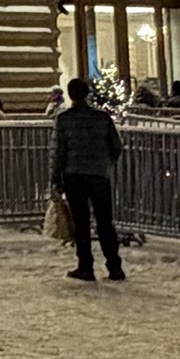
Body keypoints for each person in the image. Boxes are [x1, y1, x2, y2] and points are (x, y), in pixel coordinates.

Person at [52, 77, 125, 283]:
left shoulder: (64, 119)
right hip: (98, 175)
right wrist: (105, 163)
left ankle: (86, 266)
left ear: (70, 94)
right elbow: (116, 146)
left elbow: (59, 152)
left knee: (81, 223)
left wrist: (56, 178)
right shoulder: (102, 118)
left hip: (74, 174)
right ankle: (114, 266)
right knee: (105, 222)